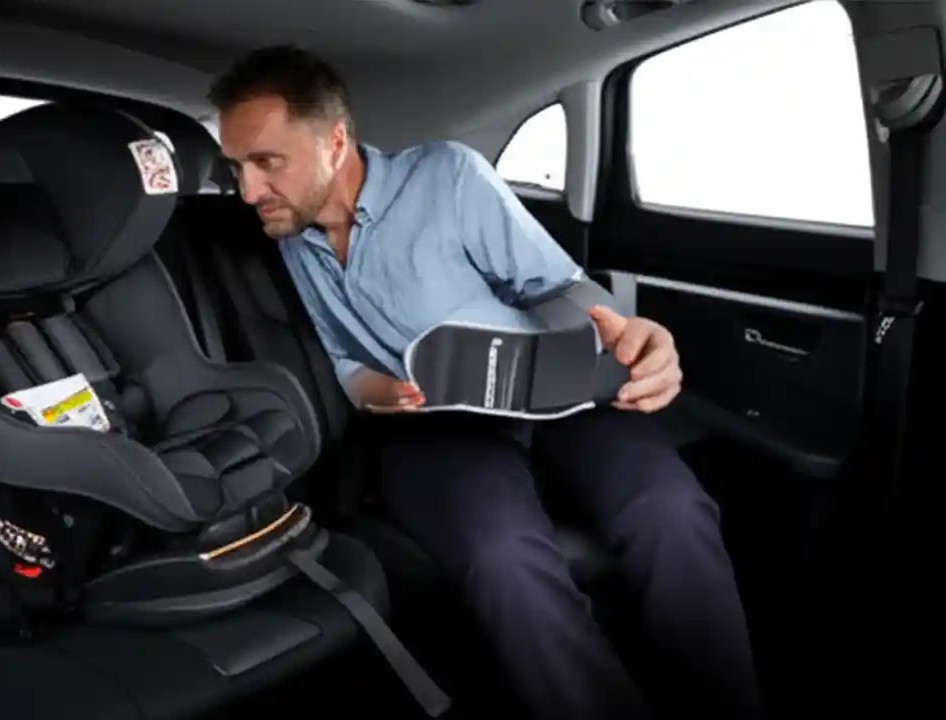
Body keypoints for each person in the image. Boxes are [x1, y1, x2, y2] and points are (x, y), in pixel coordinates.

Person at [207, 45, 761, 719]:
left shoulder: (446, 176)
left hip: (549, 389)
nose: (248, 192)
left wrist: (626, 334)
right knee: (504, 561)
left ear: (336, 141)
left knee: (672, 512)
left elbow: (555, 287)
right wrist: (376, 392)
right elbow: (342, 356)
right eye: (236, 168)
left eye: (267, 162)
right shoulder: (290, 239)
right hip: (434, 427)